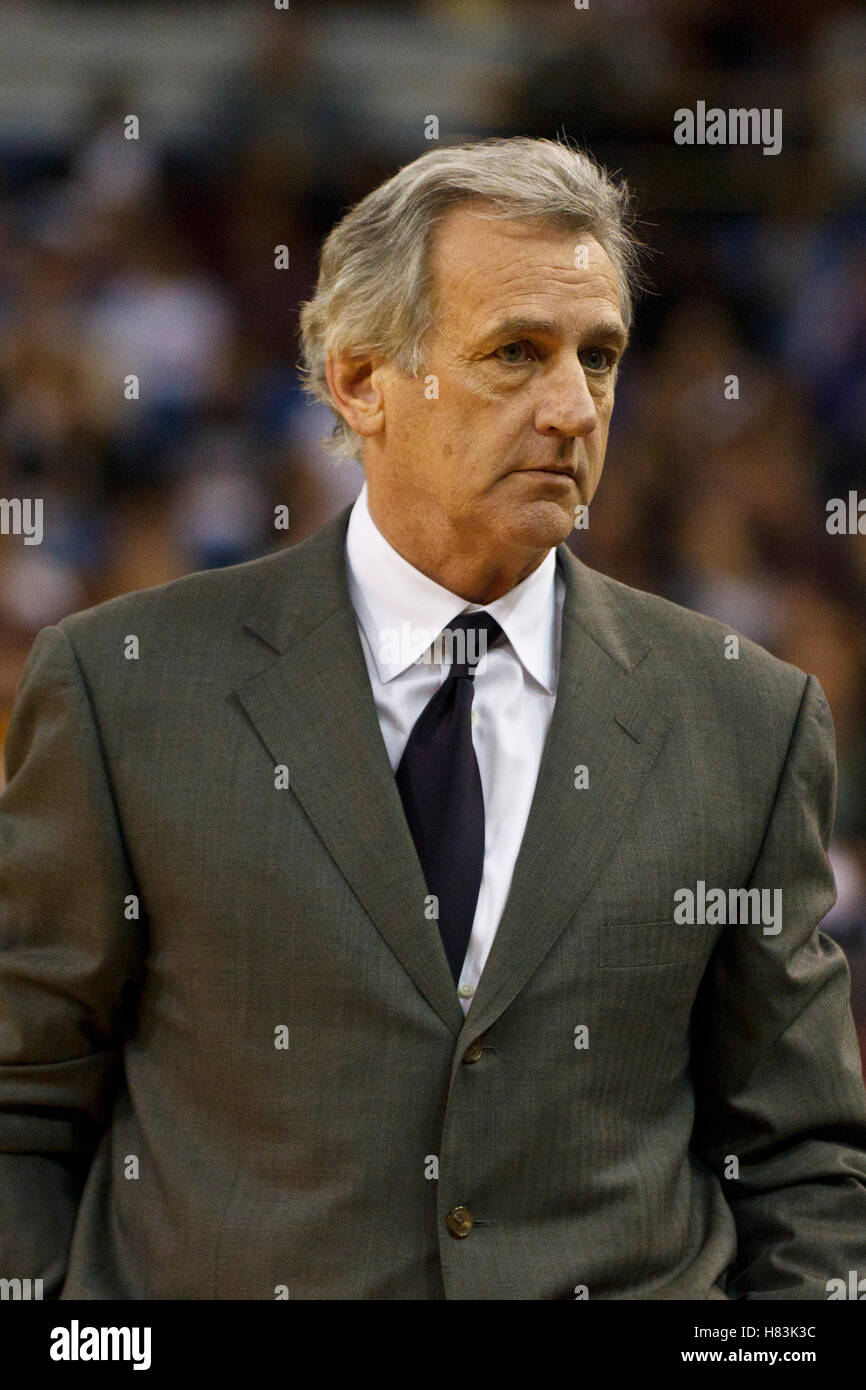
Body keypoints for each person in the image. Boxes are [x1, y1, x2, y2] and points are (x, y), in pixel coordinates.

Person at [2, 137, 865, 1300]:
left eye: (597, 357)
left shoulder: (746, 717)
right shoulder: (124, 687)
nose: (572, 406)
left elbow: (799, 1154)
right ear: (361, 381)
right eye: (516, 353)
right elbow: (23, 1100)